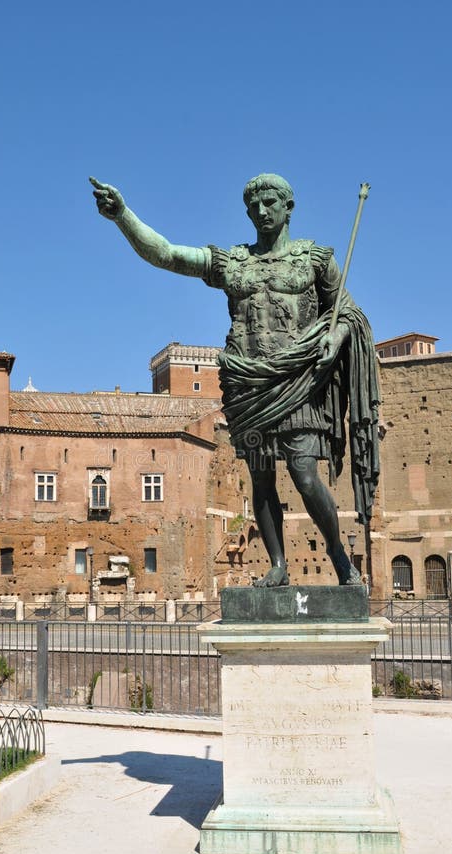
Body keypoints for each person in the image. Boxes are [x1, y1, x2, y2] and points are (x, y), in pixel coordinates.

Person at [90, 174, 380, 587]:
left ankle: (337, 554)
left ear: (288, 207)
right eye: (254, 206)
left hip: (297, 382)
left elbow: (348, 312)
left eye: (269, 203)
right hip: (248, 385)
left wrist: (335, 335)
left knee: (304, 473)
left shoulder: (314, 259)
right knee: (259, 477)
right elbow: (168, 254)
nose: (261, 212)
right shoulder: (233, 262)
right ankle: (278, 566)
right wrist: (123, 217)